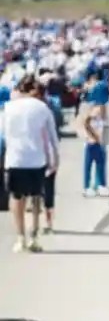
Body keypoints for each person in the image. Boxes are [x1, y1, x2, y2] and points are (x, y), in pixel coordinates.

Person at [3, 75, 58, 252]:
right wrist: (55, 159)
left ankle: (20, 237)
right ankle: (34, 235)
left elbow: (3, 133)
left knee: (16, 197)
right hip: (37, 158)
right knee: (36, 197)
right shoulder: (42, 108)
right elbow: (52, 136)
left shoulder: (9, 108)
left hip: (15, 158)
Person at [79, 94, 109, 197]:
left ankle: (100, 185)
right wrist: (94, 136)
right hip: (92, 142)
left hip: (98, 142)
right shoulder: (95, 111)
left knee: (100, 164)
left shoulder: (102, 112)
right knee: (89, 165)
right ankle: (87, 187)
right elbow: (86, 123)